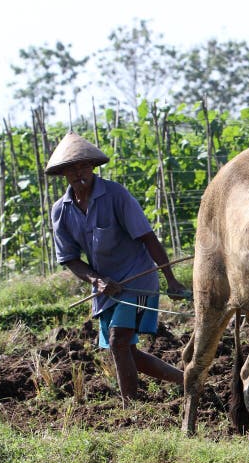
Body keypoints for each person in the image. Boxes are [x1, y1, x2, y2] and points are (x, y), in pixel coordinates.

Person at [46, 131, 188, 406]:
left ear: (93, 167)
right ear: (64, 174)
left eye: (83, 165)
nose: (78, 172)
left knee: (118, 341)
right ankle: (189, 381)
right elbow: (70, 258)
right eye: (71, 168)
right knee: (127, 350)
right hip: (106, 288)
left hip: (137, 278)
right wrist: (97, 281)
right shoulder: (61, 210)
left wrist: (170, 279)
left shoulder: (115, 195)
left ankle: (130, 406)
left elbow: (147, 237)